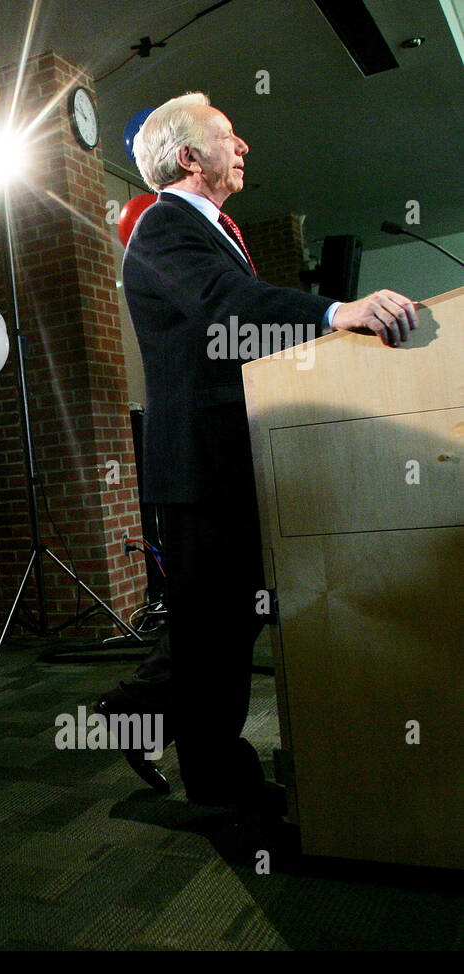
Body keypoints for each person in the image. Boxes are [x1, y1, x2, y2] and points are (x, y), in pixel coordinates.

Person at [121, 93, 416, 829]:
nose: (244, 144)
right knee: (215, 629)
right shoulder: (163, 226)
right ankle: (222, 787)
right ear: (190, 157)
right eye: (227, 135)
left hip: (236, 457)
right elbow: (229, 306)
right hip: (201, 467)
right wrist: (331, 313)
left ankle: (135, 713)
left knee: (218, 620)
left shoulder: (217, 230)